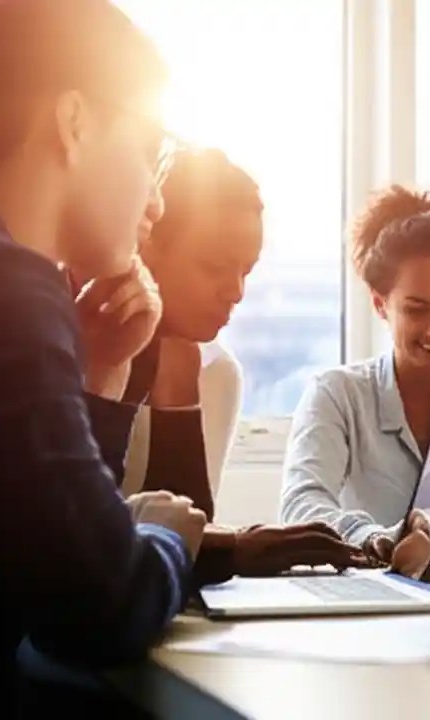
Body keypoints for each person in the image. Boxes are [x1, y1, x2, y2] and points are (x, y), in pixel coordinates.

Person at [0, 0, 204, 701]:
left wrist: (102, 371)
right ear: (75, 121)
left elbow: (38, 540)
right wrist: (171, 541)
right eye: (151, 152)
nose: (154, 203)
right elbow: (99, 606)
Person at [114, 147, 368, 582]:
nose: (235, 292)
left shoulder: (215, 374)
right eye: (214, 267)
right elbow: (80, 540)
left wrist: (178, 384)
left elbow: (187, 534)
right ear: (147, 239)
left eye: (246, 271)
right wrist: (237, 545)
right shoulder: (76, 350)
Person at [280, 185, 430, 576]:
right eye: (417, 310)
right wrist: (375, 538)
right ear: (380, 303)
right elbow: (302, 505)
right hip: (370, 603)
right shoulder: (337, 394)